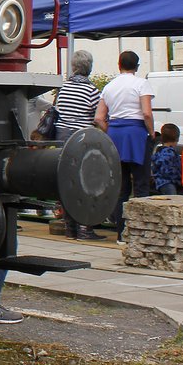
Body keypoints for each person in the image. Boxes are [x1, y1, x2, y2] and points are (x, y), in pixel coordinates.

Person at [95, 50, 154, 242]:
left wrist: (110, 130)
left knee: (121, 188)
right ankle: (142, 233)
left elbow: (99, 118)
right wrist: (151, 133)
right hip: (136, 133)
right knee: (141, 184)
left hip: (116, 134)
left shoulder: (110, 86)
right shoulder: (141, 84)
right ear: (137, 66)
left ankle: (121, 234)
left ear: (118, 65)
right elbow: (146, 113)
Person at [53, 50, 104, 239]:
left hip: (62, 138)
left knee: (66, 181)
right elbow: (97, 118)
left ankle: (69, 228)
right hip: (82, 140)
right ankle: (85, 228)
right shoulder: (91, 90)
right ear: (89, 67)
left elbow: (58, 111)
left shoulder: (64, 88)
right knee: (85, 181)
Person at [151, 123, 183, 195]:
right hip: (166, 182)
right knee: (172, 198)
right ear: (176, 138)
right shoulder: (169, 153)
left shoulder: (159, 150)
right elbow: (167, 171)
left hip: (161, 181)